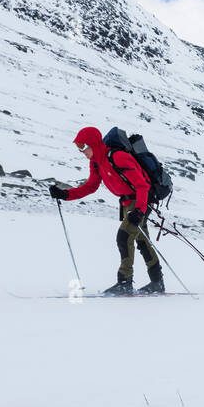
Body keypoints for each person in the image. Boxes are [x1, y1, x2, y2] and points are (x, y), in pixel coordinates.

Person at [50, 126, 164, 295]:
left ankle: (125, 283)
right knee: (142, 241)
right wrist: (65, 194)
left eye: (83, 145)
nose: (81, 150)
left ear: (93, 144)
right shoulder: (96, 162)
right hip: (127, 203)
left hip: (141, 200)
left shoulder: (118, 157)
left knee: (124, 236)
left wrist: (139, 210)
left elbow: (142, 185)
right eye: (78, 146)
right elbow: (90, 187)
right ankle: (157, 282)